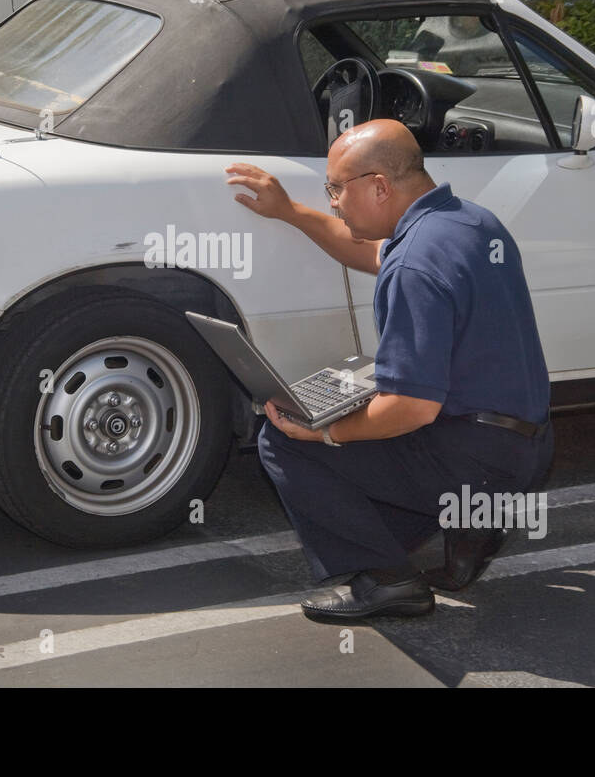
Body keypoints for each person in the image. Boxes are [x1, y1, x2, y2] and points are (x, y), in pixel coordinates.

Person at [224, 119, 553, 620]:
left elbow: (412, 408)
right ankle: (470, 520)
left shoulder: (414, 265)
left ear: (379, 186)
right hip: (525, 445)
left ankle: (388, 582)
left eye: (336, 188)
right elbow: (368, 249)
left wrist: (327, 433)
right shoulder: (469, 223)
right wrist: (291, 212)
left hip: (477, 459)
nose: (333, 200)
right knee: (361, 452)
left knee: (284, 439)